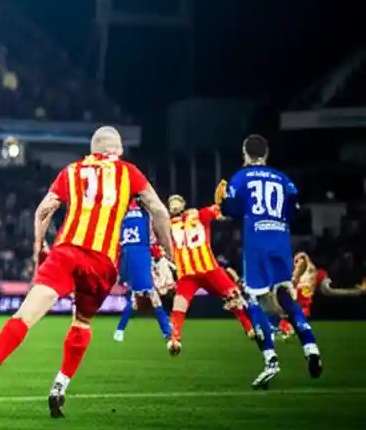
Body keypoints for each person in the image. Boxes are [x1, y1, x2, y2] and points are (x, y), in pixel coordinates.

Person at [0, 126, 173, 419]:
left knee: (25, 315)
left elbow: (43, 211)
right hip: (103, 263)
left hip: (66, 251)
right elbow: (159, 211)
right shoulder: (129, 172)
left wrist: (38, 250)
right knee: (82, 322)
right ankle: (60, 385)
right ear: (118, 150)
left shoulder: (71, 171)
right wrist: (168, 257)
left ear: (93, 148)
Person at [220, 134, 319, 389]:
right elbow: (295, 210)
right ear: (266, 153)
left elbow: (231, 210)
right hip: (280, 242)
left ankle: (270, 359)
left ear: (245, 153)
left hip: (257, 244)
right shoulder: (282, 178)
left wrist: (224, 201)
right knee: (286, 296)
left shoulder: (240, 177)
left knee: (253, 299)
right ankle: (311, 349)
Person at [165, 196, 254, 353]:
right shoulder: (167, 224)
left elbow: (220, 211)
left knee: (234, 297)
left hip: (210, 269)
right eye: (171, 202)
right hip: (187, 274)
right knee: (179, 306)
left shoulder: (199, 214)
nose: (174, 203)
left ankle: (249, 328)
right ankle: (175, 340)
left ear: (184, 204)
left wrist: (224, 201)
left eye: (177, 200)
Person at [112, 200, 173, 342]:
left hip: (128, 254)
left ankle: (121, 330)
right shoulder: (145, 215)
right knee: (149, 295)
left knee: (140, 295)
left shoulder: (120, 215)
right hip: (141, 253)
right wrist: (161, 254)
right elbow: (152, 237)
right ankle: (165, 330)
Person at [276, 252, 364, 336]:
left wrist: (357, 291)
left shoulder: (318, 275)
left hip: (302, 314)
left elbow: (329, 290)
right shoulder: (283, 275)